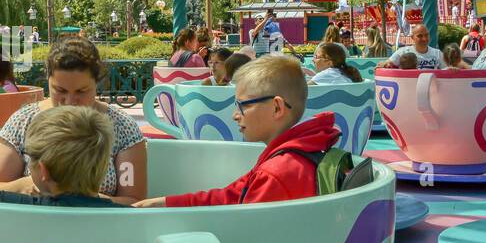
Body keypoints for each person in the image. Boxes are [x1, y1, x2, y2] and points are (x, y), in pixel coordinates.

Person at [134, 55, 339, 208]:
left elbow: (243, 233)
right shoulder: (286, 157)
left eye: (243, 105)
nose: (235, 115)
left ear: (277, 108)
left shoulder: (276, 174)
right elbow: (230, 196)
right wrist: (163, 203)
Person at [0, 37, 146, 205]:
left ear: (97, 82)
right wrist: (28, 185)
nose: (70, 101)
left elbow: (134, 199)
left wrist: (78, 198)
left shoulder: (122, 127)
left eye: (82, 91)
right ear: (48, 80)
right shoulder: (22, 121)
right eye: (60, 90)